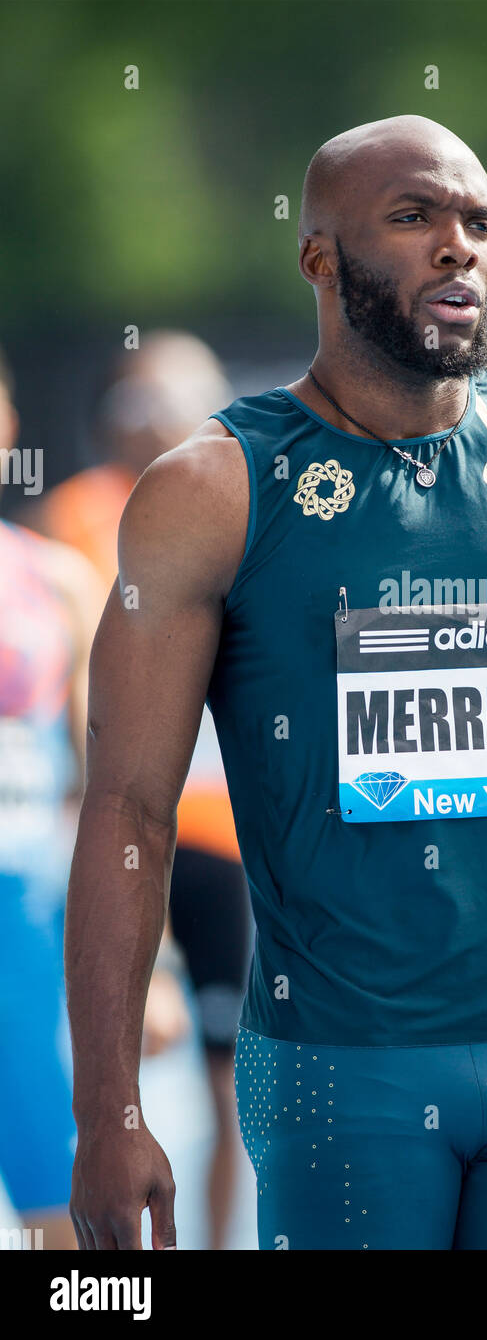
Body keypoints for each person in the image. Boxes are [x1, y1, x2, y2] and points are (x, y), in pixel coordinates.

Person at [66, 114, 487, 1251]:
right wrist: (107, 1113)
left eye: (478, 222)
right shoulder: (215, 492)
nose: (455, 245)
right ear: (319, 257)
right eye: (412, 218)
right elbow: (127, 810)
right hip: (338, 1079)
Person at [32, 332, 252, 1250]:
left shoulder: (240, 506)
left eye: (179, 398)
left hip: (230, 846)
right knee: (99, 1078)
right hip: (117, 834)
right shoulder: (72, 520)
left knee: (231, 1081)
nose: (154, 419)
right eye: (138, 402)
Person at [0, 346, 104, 1248]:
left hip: (23, 918)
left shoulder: (56, 579)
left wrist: (152, 977)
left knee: (50, 1177)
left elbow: (111, 795)